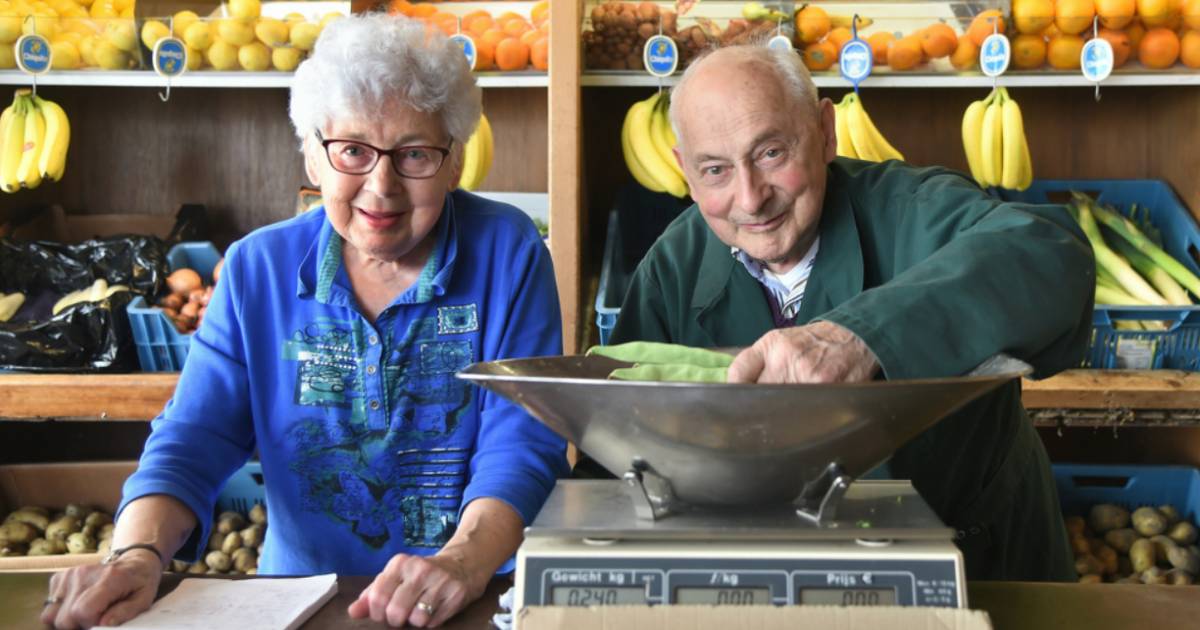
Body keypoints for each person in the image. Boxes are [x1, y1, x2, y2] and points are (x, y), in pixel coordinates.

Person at [42, 14, 568, 629]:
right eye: (352, 150)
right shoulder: (256, 268)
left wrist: (461, 562)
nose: (381, 186)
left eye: (415, 154)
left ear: (454, 164)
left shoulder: (508, 250)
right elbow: (192, 438)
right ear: (313, 158)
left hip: (470, 598)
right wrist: (136, 556)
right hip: (301, 603)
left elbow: (523, 440)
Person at [608, 44, 1094, 582]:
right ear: (685, 170)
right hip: (764, 577)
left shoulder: (914, 211)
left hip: (974, 568)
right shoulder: (672, 267)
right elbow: (621, 444)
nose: (750, 199)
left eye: (771, 153)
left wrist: (860, 337)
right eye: (716, 170)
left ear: (825, 131)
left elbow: (1054, 256)